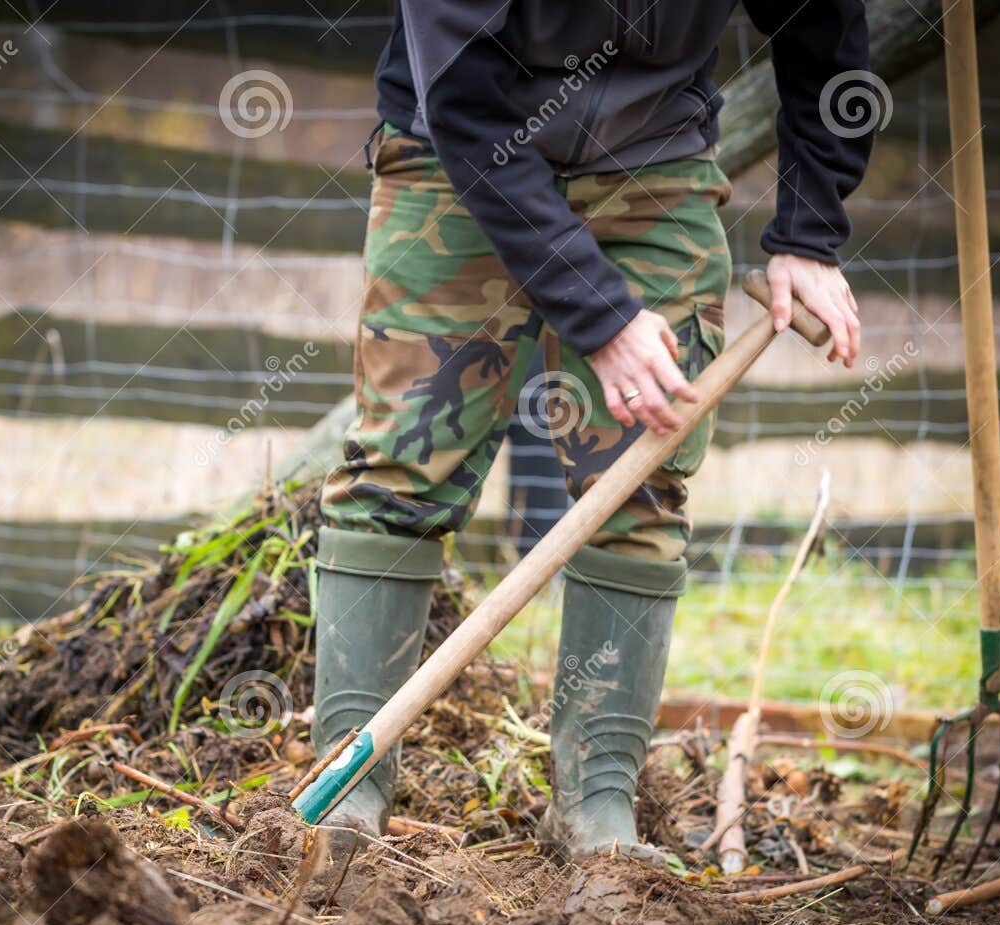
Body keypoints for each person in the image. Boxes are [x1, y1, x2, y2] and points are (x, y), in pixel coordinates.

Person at [314, 0, 871, 860]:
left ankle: (596, 810)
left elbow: (823, 29)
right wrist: (603, 317)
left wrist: (811, 229)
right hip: (458, 153)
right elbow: (466, 102)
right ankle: (349, 788)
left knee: (643, 478)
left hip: (652, 158)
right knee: (404, 467)